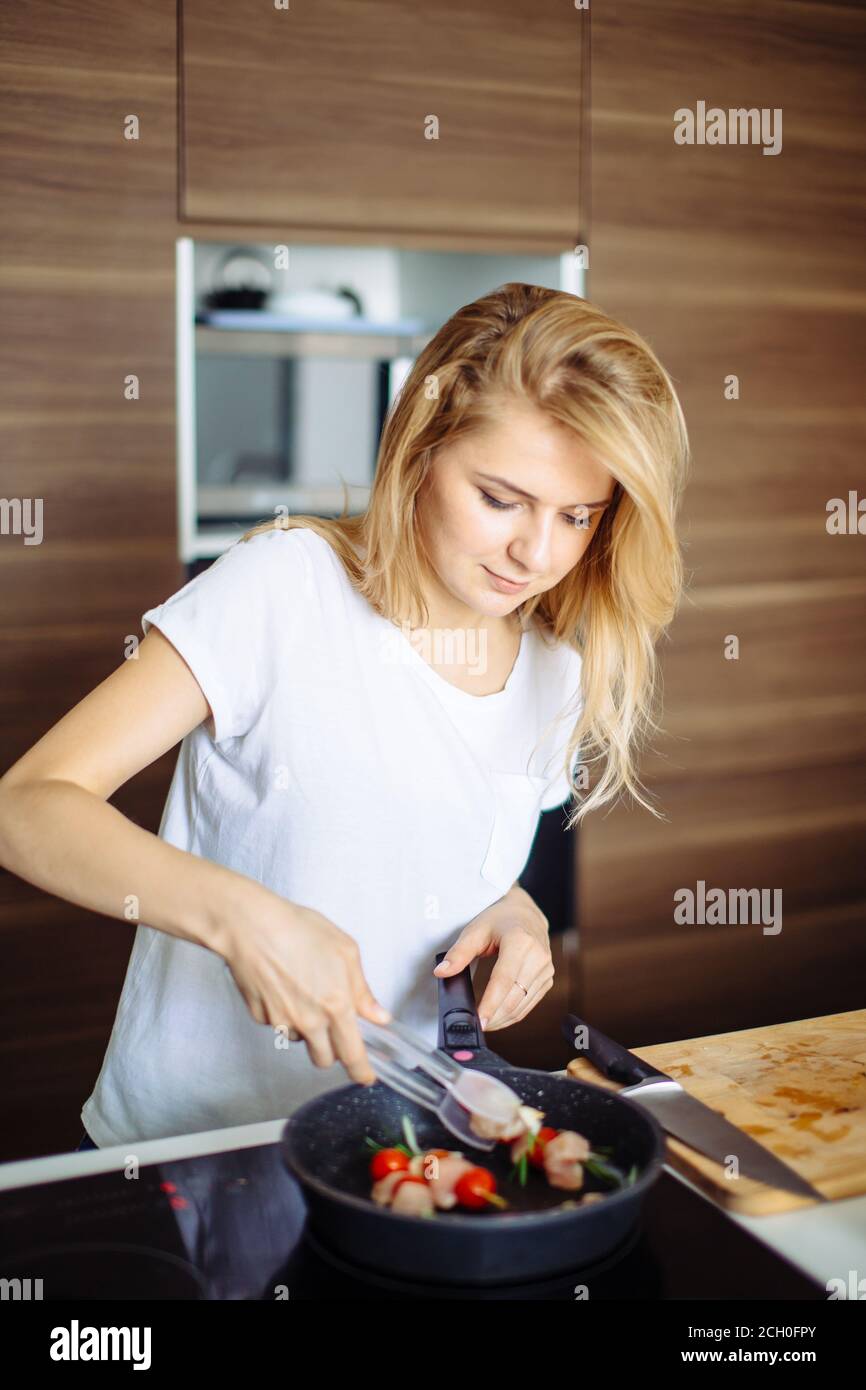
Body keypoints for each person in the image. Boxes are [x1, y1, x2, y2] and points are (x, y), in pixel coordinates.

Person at [0, 283, 689, 1147]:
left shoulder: (555, 672)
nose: (536, 552)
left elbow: (416, 840)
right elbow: (27, 807)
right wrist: (243, 918)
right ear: (421, 450)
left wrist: (515, 914)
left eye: (577, 515)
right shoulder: (285, 590)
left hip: (405, 1144)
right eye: (501, 499)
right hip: (199, 1147)